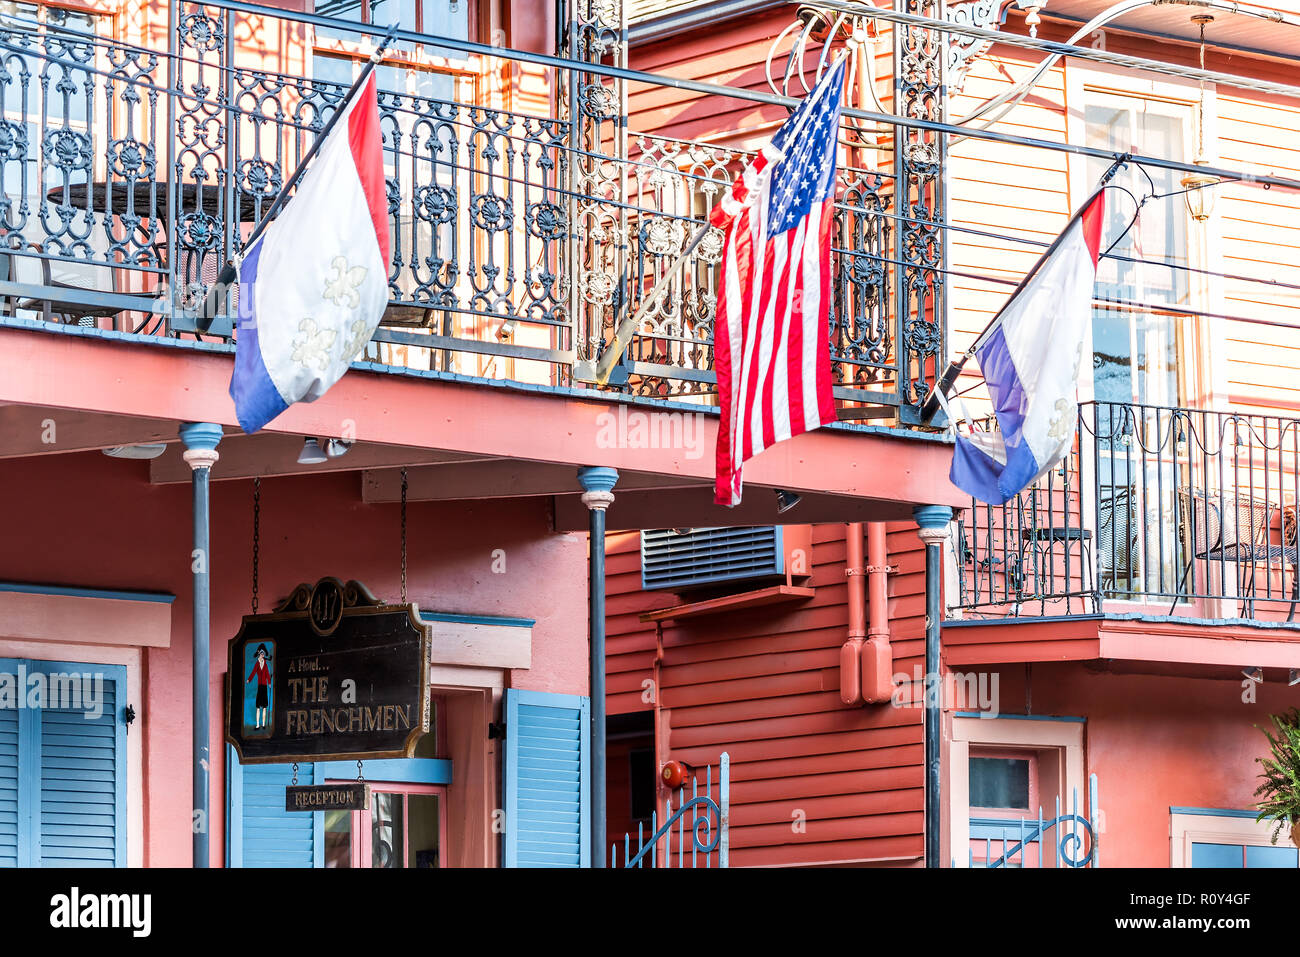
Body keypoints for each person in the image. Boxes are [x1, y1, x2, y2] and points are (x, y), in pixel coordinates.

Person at [247, 643, 272, 730]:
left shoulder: (265, 664)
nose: (262, 655)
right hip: (259, 686)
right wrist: (249, 679)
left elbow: (268, 674)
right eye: (261, 653)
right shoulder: (257, 663)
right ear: (259, 654)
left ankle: (263, 724)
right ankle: (257, 724)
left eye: (263, 654)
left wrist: (269, 683)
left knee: (264, 706)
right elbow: (253, 672)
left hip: (264, 686)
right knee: (258, 707)